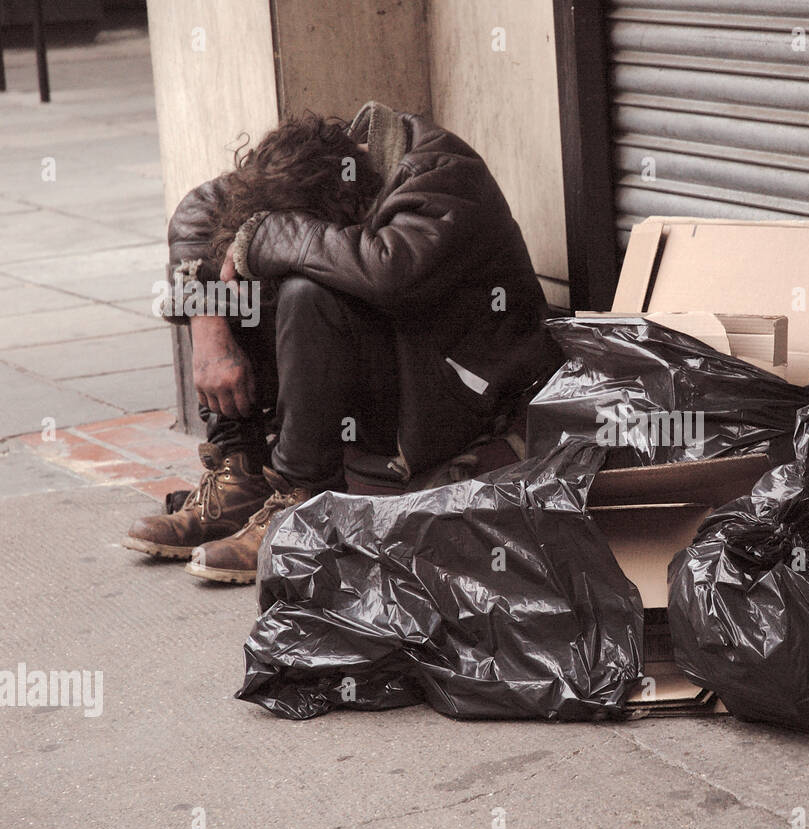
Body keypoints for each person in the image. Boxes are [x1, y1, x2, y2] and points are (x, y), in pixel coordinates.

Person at [124, 101, 558, 583]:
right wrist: (209, 329)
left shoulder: (444, 174)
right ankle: (239, 474)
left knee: (307, 291)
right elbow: (199, 210)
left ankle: (300, 501)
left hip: (461, 389)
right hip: (396, 374)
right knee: (232, 275)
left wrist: (270, 239)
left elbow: (391, 271)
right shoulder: (327, 169)